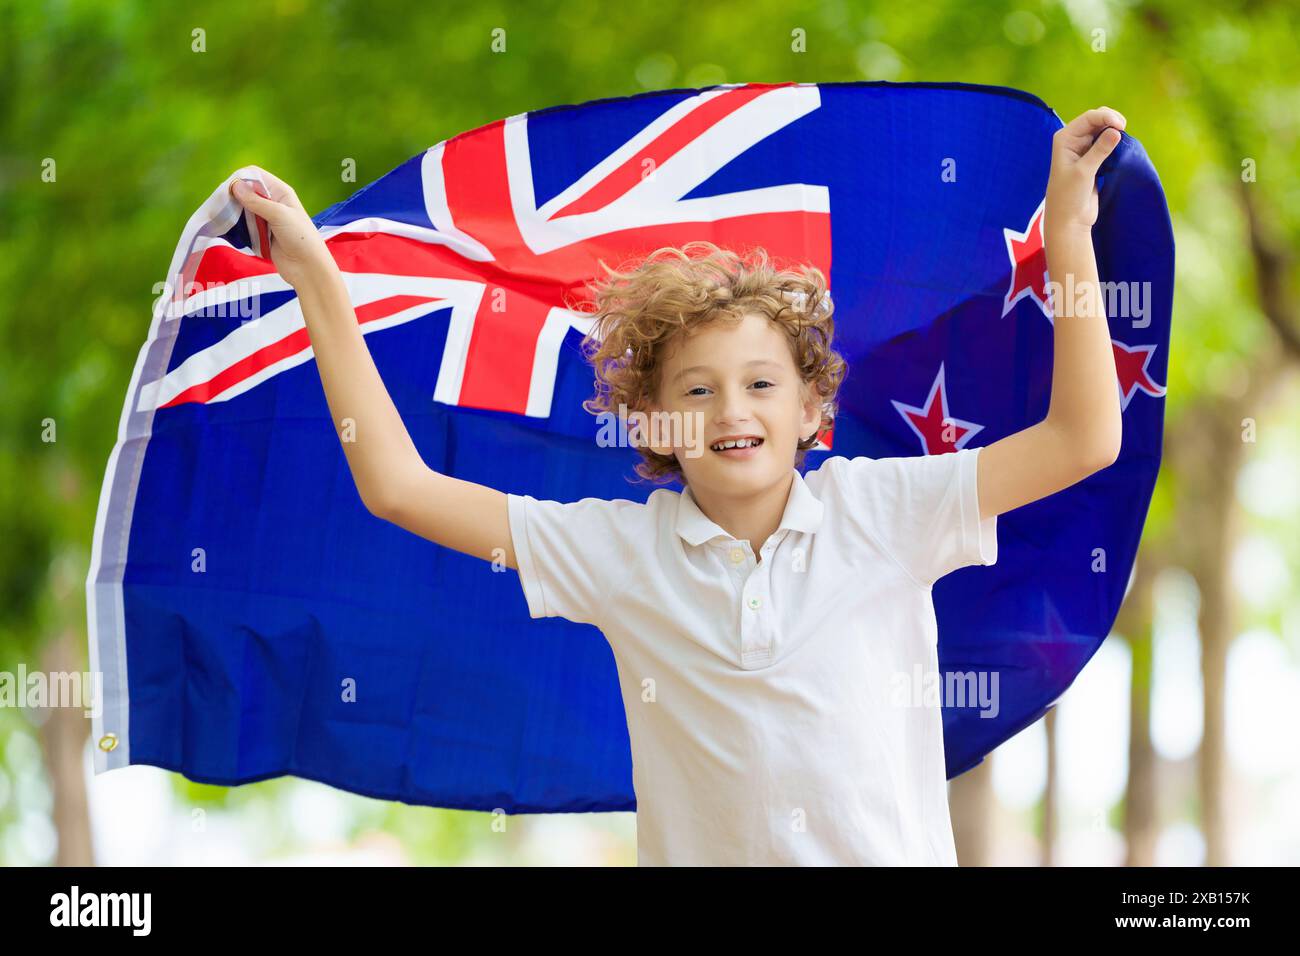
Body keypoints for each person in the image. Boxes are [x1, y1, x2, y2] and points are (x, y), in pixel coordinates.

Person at [228, 106, 1126, 865]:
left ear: (815, 408)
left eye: (762, 384)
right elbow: (397, 485)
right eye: (697, 390)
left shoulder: (886, 510)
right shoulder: (621, 554)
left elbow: (1083, 438)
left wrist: (1069, 234)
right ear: (653, 422)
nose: (731, 409)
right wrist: (317, 278)